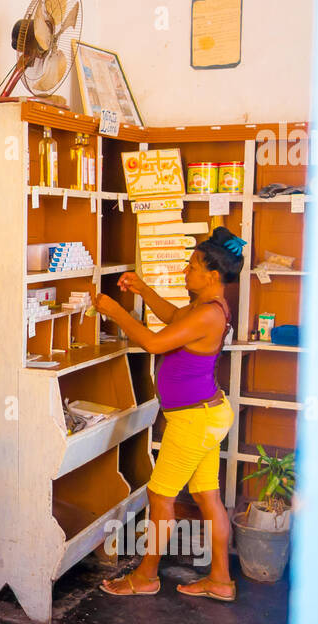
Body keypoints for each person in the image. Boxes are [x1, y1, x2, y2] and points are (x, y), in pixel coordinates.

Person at [93, 226, 245, 602]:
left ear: (212, 275)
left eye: (192, 266)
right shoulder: (203, 306)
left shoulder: (210, 314)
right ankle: (221, 580)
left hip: (195, 420)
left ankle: (146, 576)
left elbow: (154, 342)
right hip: (204, 415)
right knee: (207, 495)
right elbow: (173, 316)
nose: (185, 271)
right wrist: (144, 291)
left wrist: (116, 312)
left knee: (160, 496)